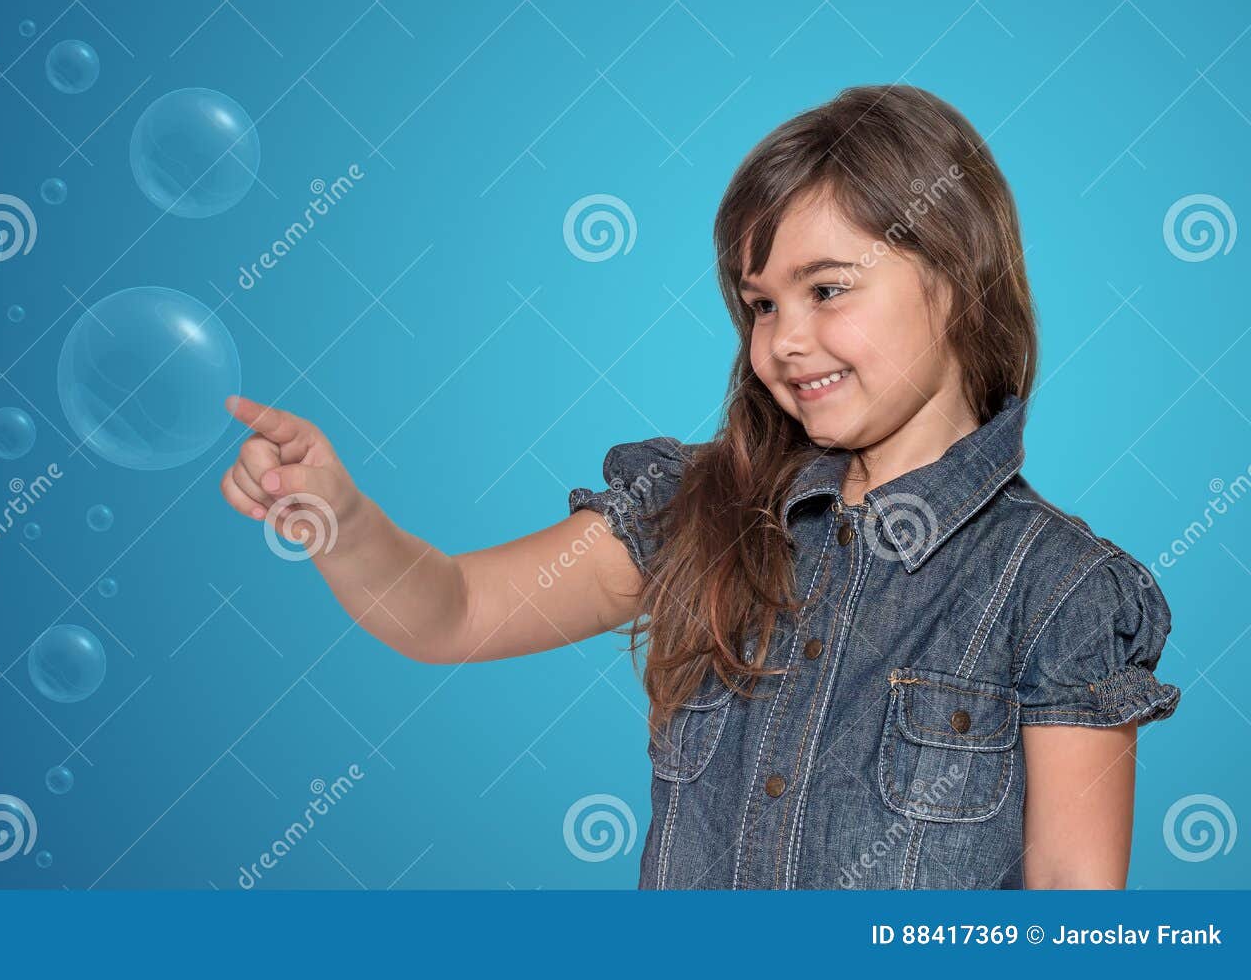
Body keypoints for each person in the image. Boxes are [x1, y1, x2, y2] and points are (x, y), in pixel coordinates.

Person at [218, 84, 1180, 890]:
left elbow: (1073, 905)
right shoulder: (699, 511)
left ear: (957, 277)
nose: (783, 340)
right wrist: (338, 517)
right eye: (760, 304)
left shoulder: (1059, 590)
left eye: (827, 288)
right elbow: (453, 610)